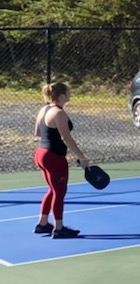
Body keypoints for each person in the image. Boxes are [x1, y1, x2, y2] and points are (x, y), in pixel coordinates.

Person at [33, 82, 93, 238]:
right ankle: (59, 228)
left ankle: (43, 223)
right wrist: (82, 157)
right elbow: (66, 138)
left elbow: (37, 133)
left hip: (41, 153)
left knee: (53, 190)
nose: (70, 94)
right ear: (61, 96)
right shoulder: (59, 113)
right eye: (68, 92)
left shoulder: (43, 109)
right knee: (59, 192)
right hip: (54, 157)